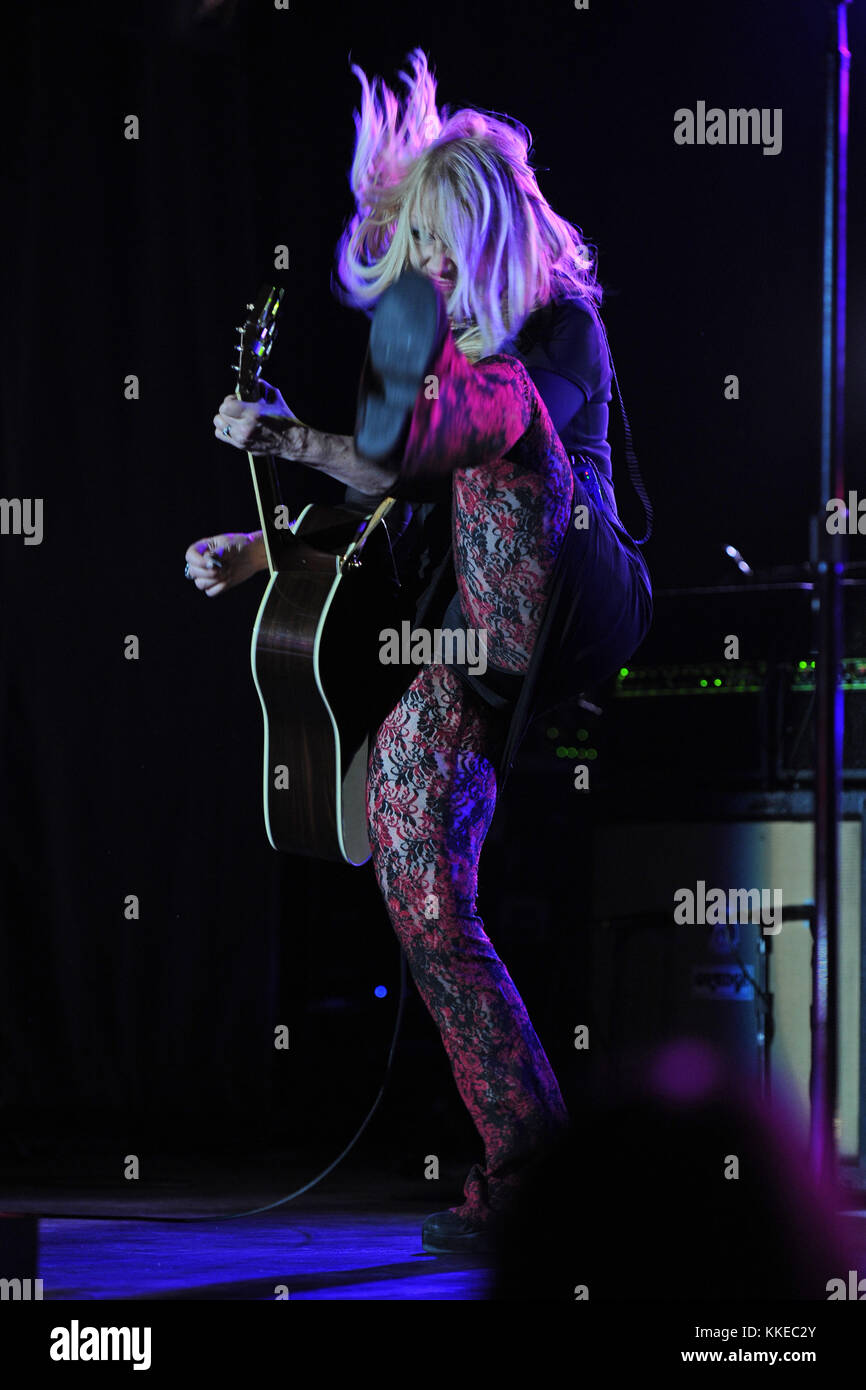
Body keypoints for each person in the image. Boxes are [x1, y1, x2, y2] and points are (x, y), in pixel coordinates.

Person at [185, 49, 652, 1253]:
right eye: (421, 256)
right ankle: (532, 1168)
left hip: (570, 593)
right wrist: (265, 537)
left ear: (493, 237)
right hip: (468, 649)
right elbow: (391, 519)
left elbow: (466, 449)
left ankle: (406, 415)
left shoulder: (562, 331)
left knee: (491, 416)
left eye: (448, 253)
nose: (435, 270)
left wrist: (340, 438)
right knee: (424, 890)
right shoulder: (450, 343)